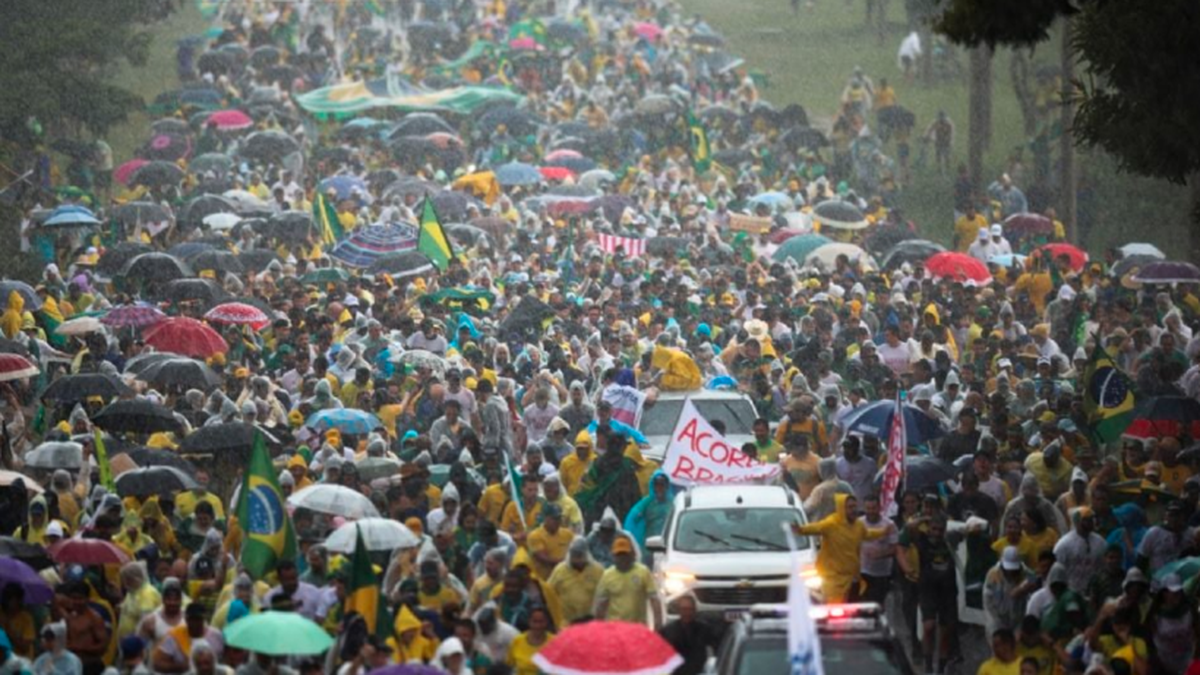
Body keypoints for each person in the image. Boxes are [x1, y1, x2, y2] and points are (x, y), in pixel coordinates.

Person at [795, 494, 888, 603]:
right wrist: (799, 529)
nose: (854, 510)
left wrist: (883, 532)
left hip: (853, 579)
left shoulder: (858, 525)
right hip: (833, 580)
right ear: (841, 509)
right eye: (850, 507)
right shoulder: (831, 524)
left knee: (853, 613)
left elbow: (867, 534)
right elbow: (815, 528)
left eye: (855, 506)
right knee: (834, 613)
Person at [595, 536, 661, 626]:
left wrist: (658, 625)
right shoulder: (607, 575)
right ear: (614, 556)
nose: (622, 558)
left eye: (625, 554)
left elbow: (654, 600)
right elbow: (601, 606)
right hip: (615, 628)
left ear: (631, 554)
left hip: (638, 628)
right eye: (619, 554)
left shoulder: (643, 572)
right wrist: (599, 628)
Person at [658, 593, 720, 675]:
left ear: (695, 610)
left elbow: (718, 648)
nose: (687, 613)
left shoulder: (705, 629)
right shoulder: (668, 631)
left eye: (690, 609)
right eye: (684, 609)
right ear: (679, 610)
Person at [504, 605, 552, 675]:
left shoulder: (555, 642)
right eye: (534, 622)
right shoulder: (517, 641)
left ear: (547, 622)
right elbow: (508, 666)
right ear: (529, 621)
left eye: (541, 622)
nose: (538, 626)